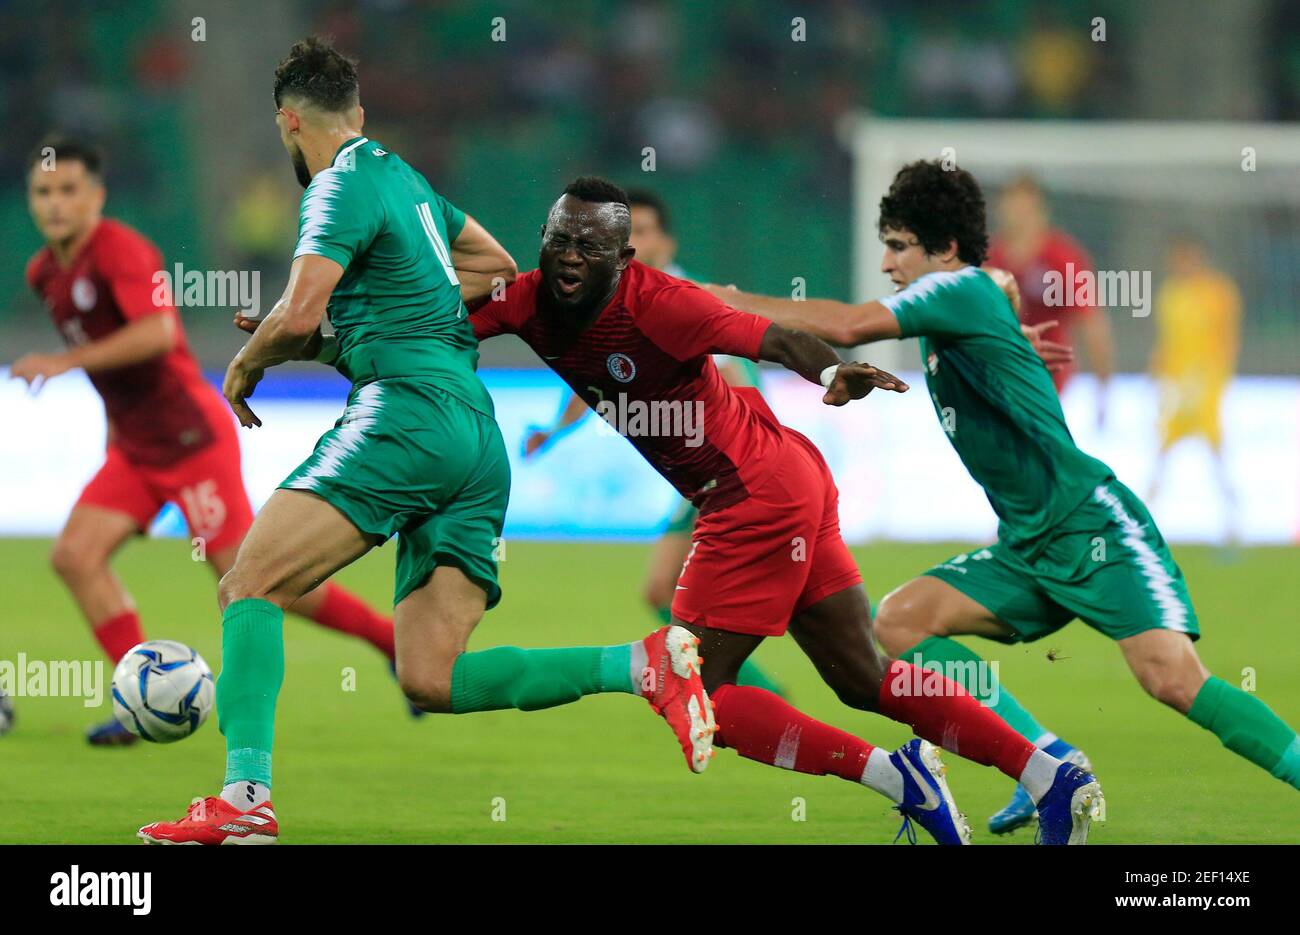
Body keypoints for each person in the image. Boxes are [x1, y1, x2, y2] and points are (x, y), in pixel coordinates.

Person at [138, 38, 713, 845]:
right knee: (430, 674)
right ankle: (638, 664)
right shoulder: (403, 179)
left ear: (288, 122)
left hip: (405, 414)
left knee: (249, 584)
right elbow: (496, 265)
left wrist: (247, 360)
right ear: (361, 114)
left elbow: (301, 315)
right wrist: (372, 325)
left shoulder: (336, 184)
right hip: (475, 433)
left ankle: (245, 800)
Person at [471, 175, 1106, 846]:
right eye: (559, 239)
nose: (570, 256)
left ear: (625, 258)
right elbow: (436, 325)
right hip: (786, 476)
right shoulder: (527, 299)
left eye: (589, 244)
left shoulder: (663, 303)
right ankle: (1044, 772)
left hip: (751, 496)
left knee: (700, 691)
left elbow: (770, 338)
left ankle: (902, 779)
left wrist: (833, 373)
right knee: (864, 675)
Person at [707, 159, 1300, 836]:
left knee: (1172, 679)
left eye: (900, 244)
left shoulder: (956, 289)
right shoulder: (968, 295)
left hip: (1089, 522)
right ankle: (1048, 762)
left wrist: (729, 298)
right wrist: (1007, 329)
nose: (887, 259)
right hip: (1027, 543)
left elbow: (847, 322)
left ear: (946, 248)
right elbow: (1002, 288)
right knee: (900, 621)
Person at [13, 134, 400, 746]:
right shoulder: (45, 272)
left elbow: (159, 335)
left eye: (67, 190)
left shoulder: (122, 251)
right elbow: (116, 374)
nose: (54, 203)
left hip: (193, 443)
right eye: (42, 192)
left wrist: (67, 363)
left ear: (96, 196)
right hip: (136, 451)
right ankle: (140, 690)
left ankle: (392, 644)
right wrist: (113, 440)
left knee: (252, 579)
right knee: (75, 556)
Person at [523, 188, 785, 697]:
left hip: (734, 466)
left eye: (644, 233)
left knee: (675, 589)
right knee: (673, 590)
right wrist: (556, 431)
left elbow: (734, 371)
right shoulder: (623, 301)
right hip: (704, 474)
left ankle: (750, 695)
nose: (636, 246)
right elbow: (595, 377)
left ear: (667, 241)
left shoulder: (683, 296)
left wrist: (747, 447)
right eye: (627, 236)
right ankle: (749, 692)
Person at [988, 174, 1113, 426]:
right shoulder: (989, 258)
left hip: (1046, 382)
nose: (1017, 215)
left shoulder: (1062, 258)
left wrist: (1102, 392)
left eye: (1024, 208)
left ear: (1040, 211)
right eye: (1012, 206)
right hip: (995, 379)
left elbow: (1092, 324)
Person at [1147, 233, 1242, 541]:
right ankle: (1145, 522)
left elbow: (1228, 340)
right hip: (1176, 389)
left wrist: (1214, 381)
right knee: (1162, 451)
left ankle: (1232, 521)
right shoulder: (1170, 294)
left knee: (1215, 451)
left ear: (1198, 256)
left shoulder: (1218, 292)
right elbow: (1167, 341)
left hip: (1205, 387)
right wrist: (1158, 369)